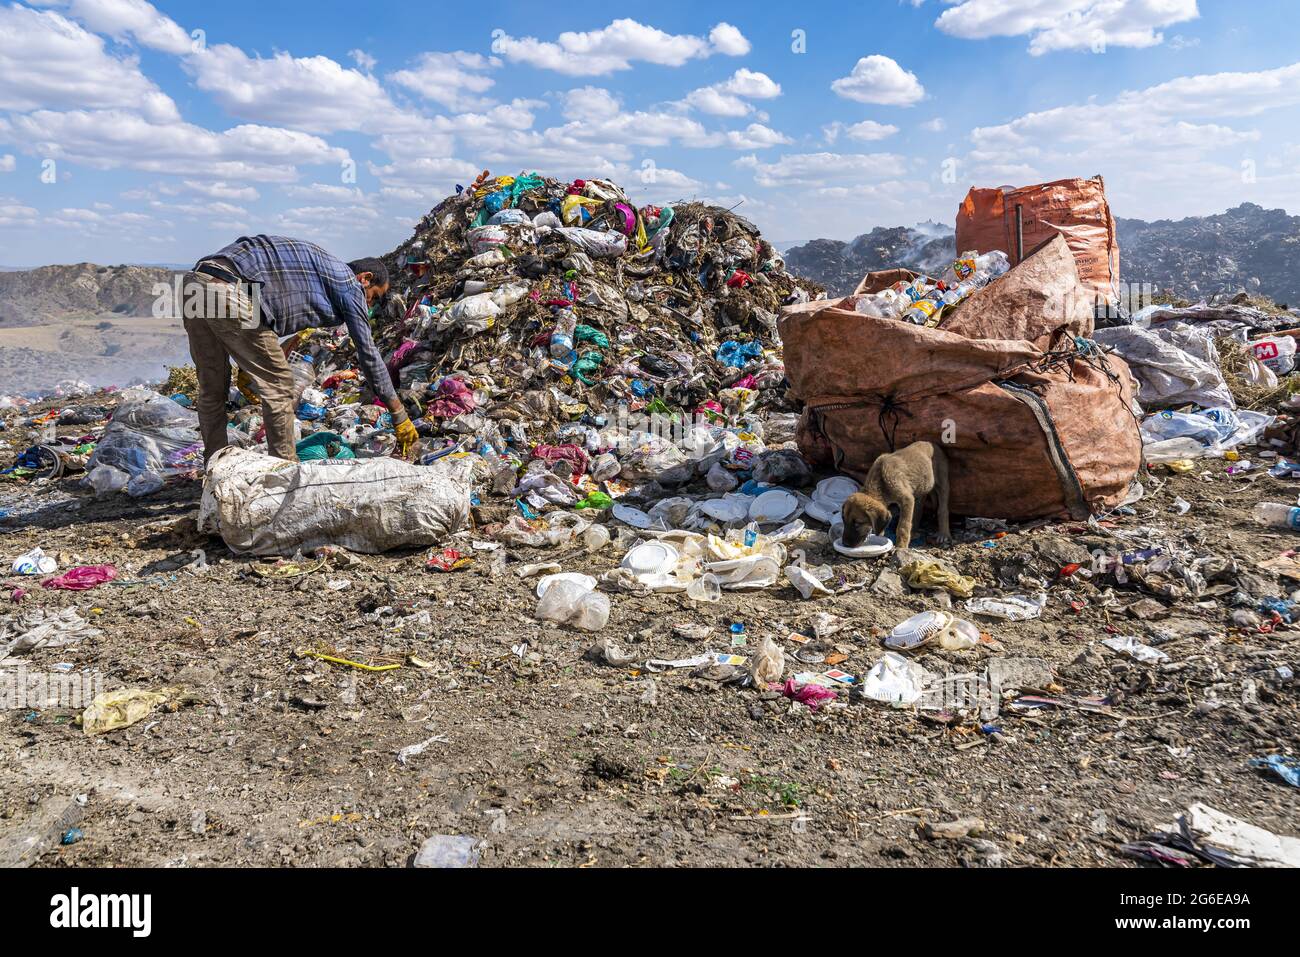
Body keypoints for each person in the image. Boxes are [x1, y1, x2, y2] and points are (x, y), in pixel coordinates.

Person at [180, 234, 418, 463]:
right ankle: (283, 475)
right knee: (280, 387)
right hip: (232, 289)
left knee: (212, 388)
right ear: (365, 278)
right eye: (373, 297)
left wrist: (247, 364)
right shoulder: (349, 282)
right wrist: (398, 413)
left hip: (196, 281)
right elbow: (368, 353)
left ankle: (216, 466)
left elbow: (264, 322)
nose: (368, 305)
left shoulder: (319, 273)